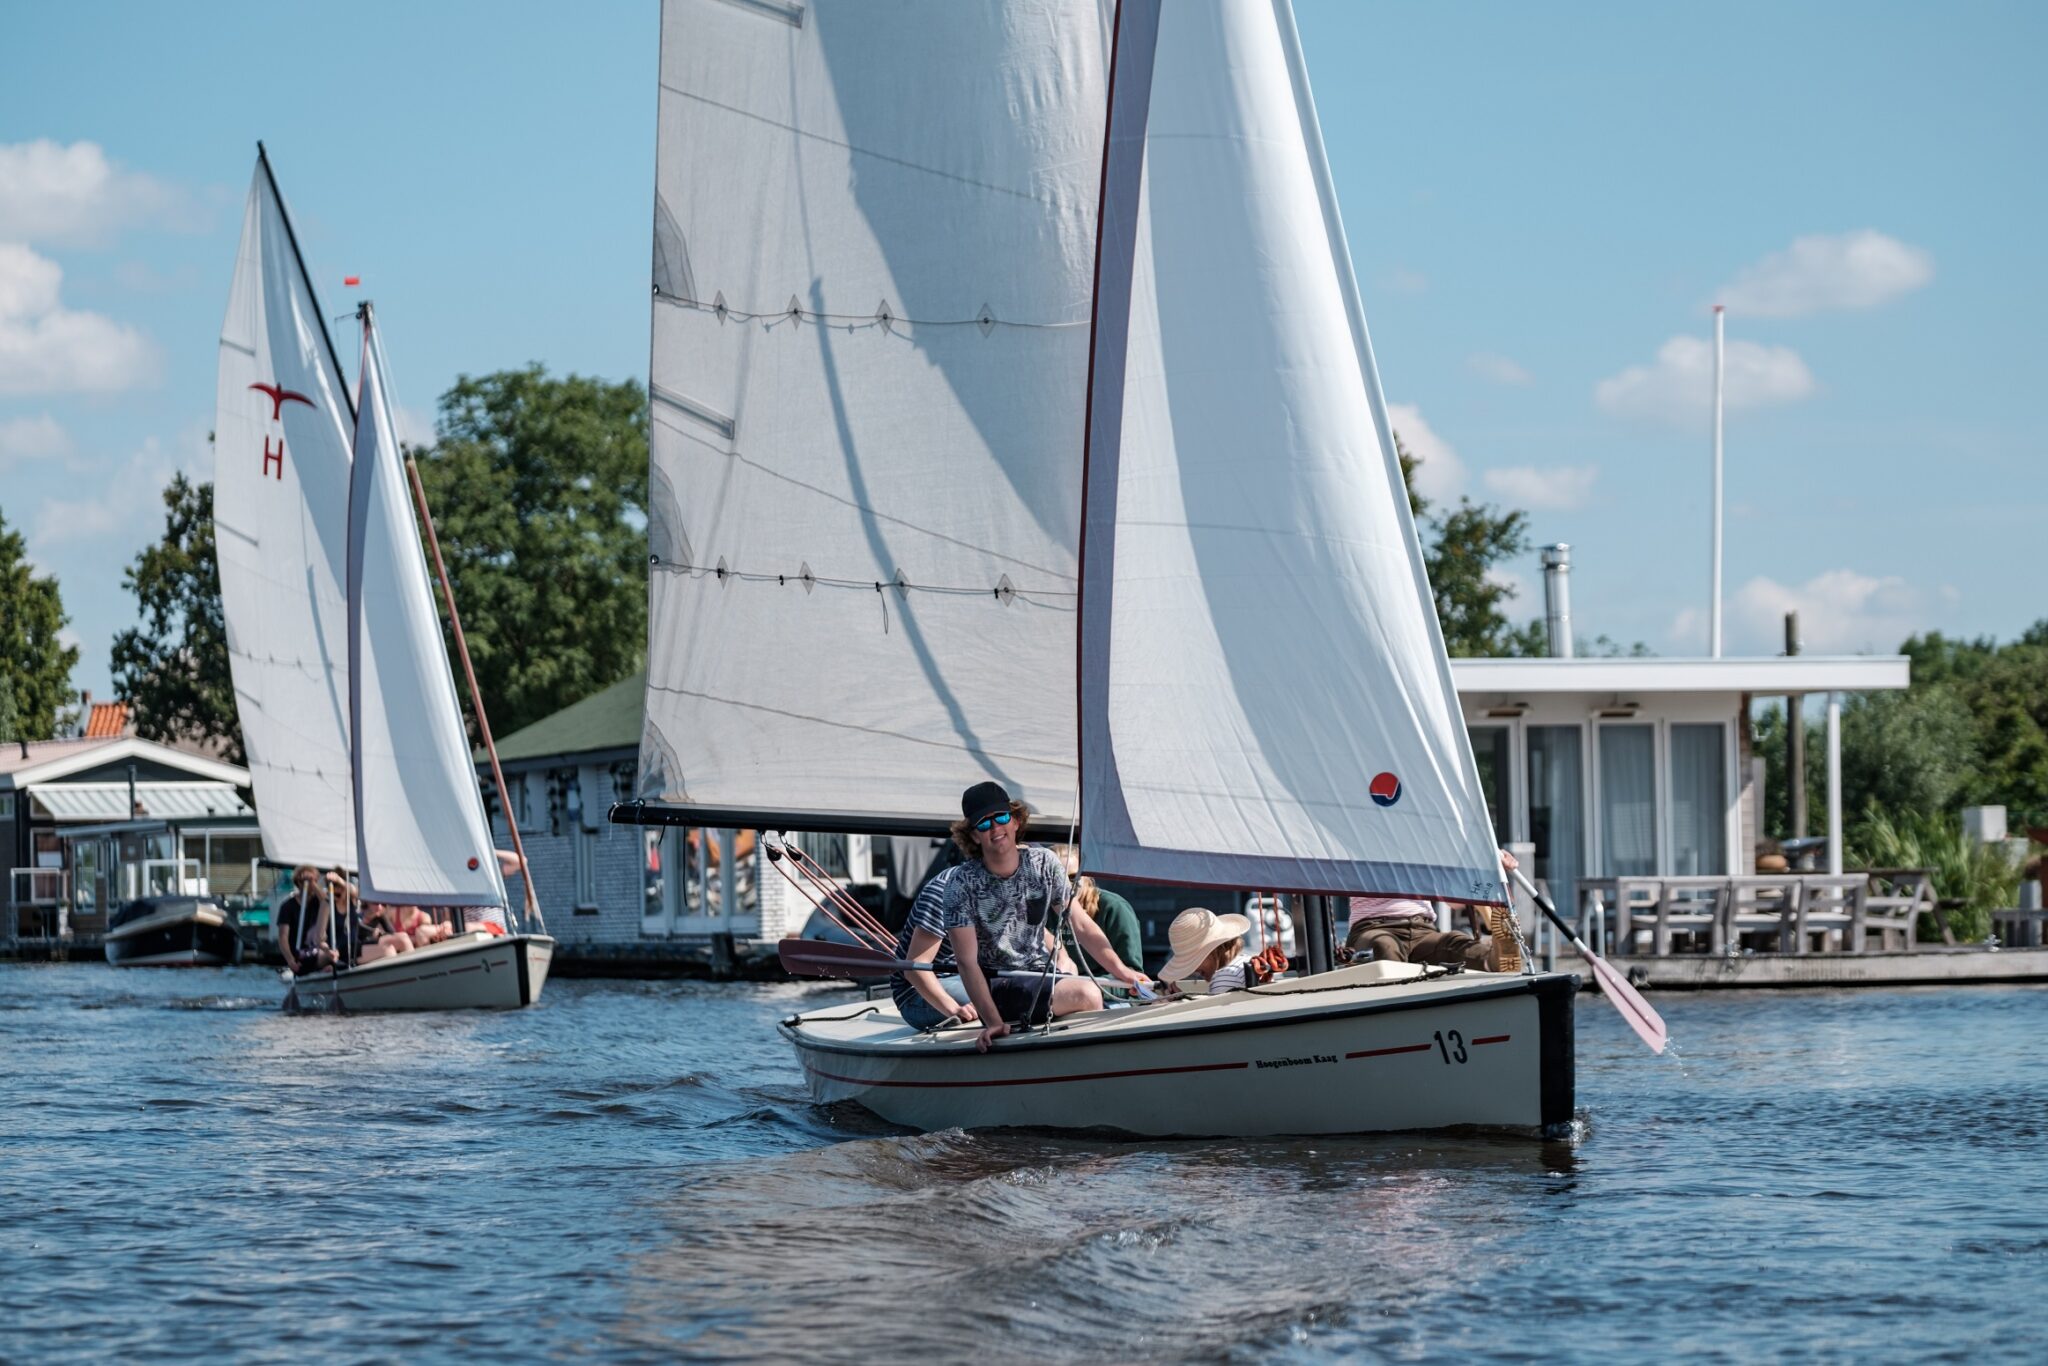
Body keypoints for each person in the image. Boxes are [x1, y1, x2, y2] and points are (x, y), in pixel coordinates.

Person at [943, 781, 1147, 1052]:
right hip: (998, 983)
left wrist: (1123, 972)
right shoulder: (960, 884)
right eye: (983, 824)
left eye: (1001, 817)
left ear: (1015, 821)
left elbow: (1081, 924)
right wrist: (992, 1021)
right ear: (973, 836)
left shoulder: (1044, 863)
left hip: (1043, 974)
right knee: (1086, 993)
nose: (995, 828)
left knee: (1088, 991)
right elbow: (966, 962)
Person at [1345, 850, 1520, 970]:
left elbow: (1454, 900)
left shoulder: (1421, 850)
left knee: (1454, 942)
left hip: (1422, 929)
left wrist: (1491, 864)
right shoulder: (1360, 843)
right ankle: (1397, 1005)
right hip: (1373, 927)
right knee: (1383, 946)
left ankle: (1492, 960)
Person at [887, 865, 979, 1032]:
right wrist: (954, 1010)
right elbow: (915, 968)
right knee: (1006, 998)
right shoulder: (943, 892)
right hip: (916, 994)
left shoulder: (1009, 887)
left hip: (967, 976)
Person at [1158, 907, 1253, 995]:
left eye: (1192, 959)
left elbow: (1216, 1013)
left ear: (1212, 951)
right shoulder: (1241, 964)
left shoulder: (1224, 978)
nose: (1193, 970)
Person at [275, 866, 336, 975]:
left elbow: (327, 902)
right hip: (301, 954)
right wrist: (290, 960)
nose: (310, 885)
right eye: (305, 881)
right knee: (330, 955)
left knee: (335, 954)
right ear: (298, 883)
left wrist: (313, 884)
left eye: (315, 881)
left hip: (319, 949)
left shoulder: (319, 902)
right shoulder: (288, 907)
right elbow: (283, 937)